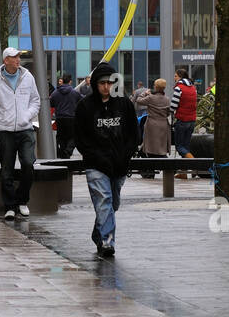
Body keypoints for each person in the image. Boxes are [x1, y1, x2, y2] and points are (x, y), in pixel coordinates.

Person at [75, 61, 138, 258]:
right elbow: (80, 138)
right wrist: (95, 157)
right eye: (102, 83)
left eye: (109, 83)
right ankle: (107, 242)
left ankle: (99, 233)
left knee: (113, 204)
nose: (106, 87)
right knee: (104, 201)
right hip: (95, 164)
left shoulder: (124, 104)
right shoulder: (85, 106)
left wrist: (126, 155)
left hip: (120, 163)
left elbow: (134, 134)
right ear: (95, 84)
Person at [0, 46, 41, 220]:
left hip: (26, 129)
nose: (18, 60)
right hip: (5, 130)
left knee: (28, 164)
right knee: (6, 170)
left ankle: (22, 201)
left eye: (18, 57)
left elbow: (35, 100)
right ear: (5, 60)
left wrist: (26, 116)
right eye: (14, 57)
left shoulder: (28, 77)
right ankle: (9, 206)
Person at [136, 79, 173, 164]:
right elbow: (168, 113)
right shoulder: (167, 99)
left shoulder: (151, 98)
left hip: (151, 124)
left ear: (155, 87)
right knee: (160, 145)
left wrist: (145, 93)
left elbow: (138, 100)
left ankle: (151, 165)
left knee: (150, 145)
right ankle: (162, 158)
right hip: (163, 125)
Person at [168, 67, 197, 161]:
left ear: (180, 77)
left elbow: (173, 106)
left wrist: (169, 111)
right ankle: (185, 169)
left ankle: (194, 163)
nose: (174, 78)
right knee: (186, 146)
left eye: (175, 76)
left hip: (182, 120)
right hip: (192, 120)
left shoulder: (179, 88)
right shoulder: (193, 88)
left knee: (179, 147)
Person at [50, 73, 80, 159]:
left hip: (59, 118)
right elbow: (82, 101)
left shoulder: (55, 93)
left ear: (62, 81)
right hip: (71, 117)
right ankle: (68, 151)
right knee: (74, 136)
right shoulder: (74, 92)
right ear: (70, 82)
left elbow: (51, 103)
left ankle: (63, 154)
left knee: (61, 137)